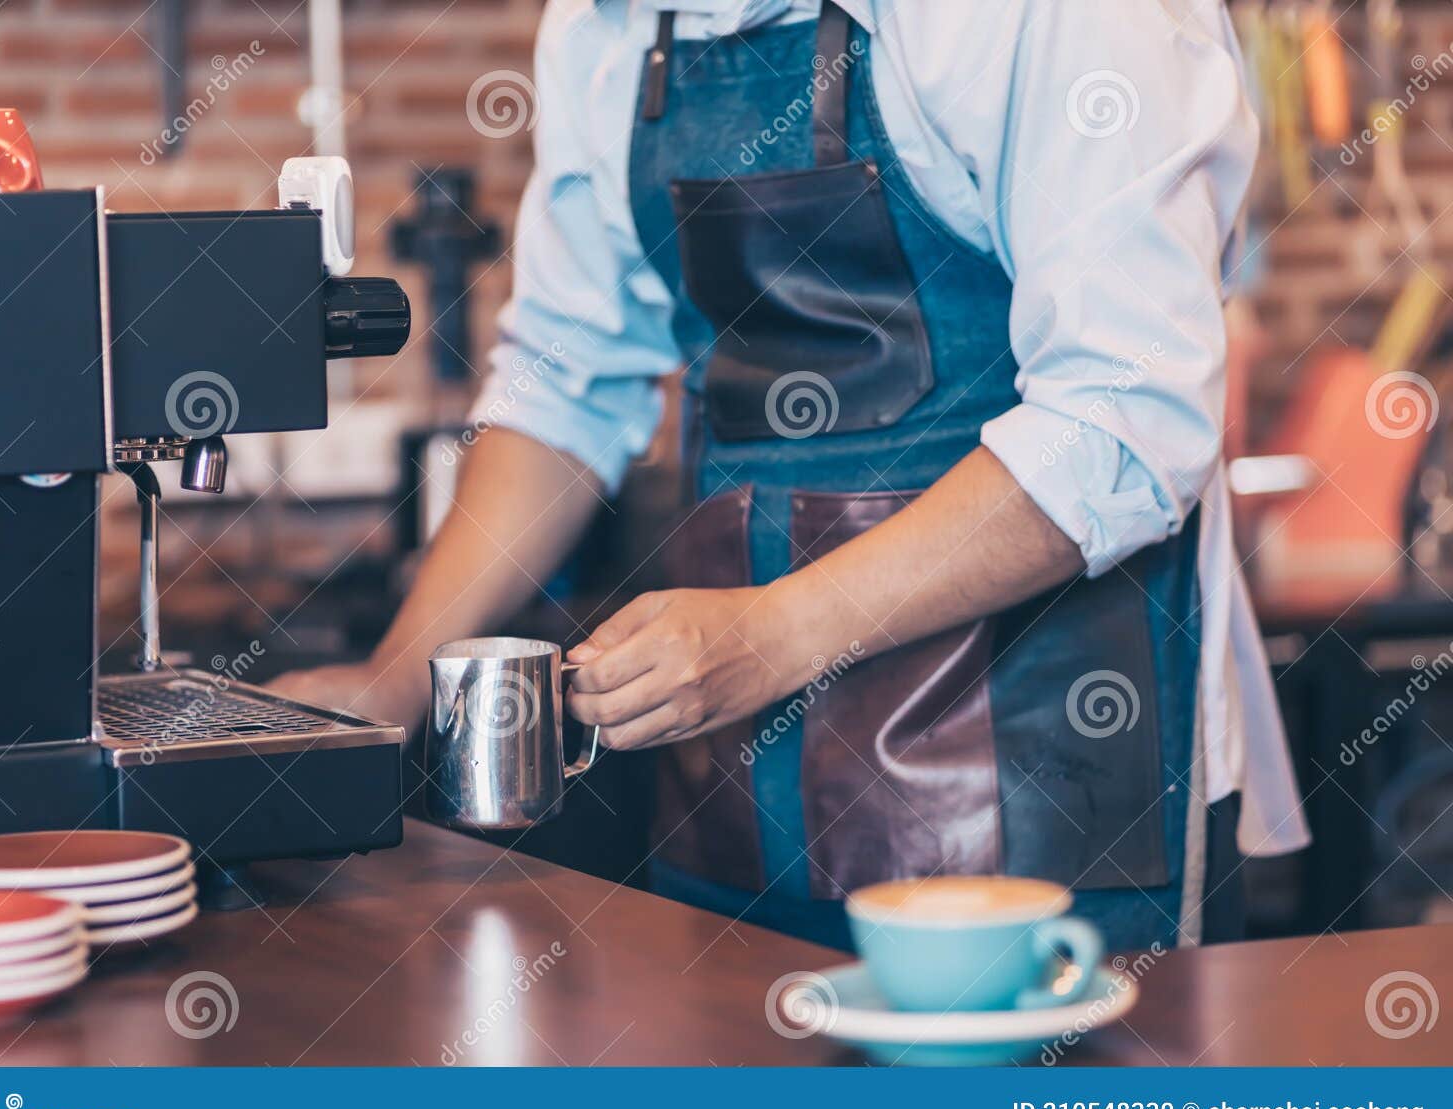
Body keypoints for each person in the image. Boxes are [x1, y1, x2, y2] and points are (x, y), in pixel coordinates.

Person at [270, 0, 1310, 952]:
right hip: (735, 797)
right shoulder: (608, 28)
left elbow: (1124, 418)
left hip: (1052, 800)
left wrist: (773, 635)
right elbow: (563, 382)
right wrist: (393, 679)